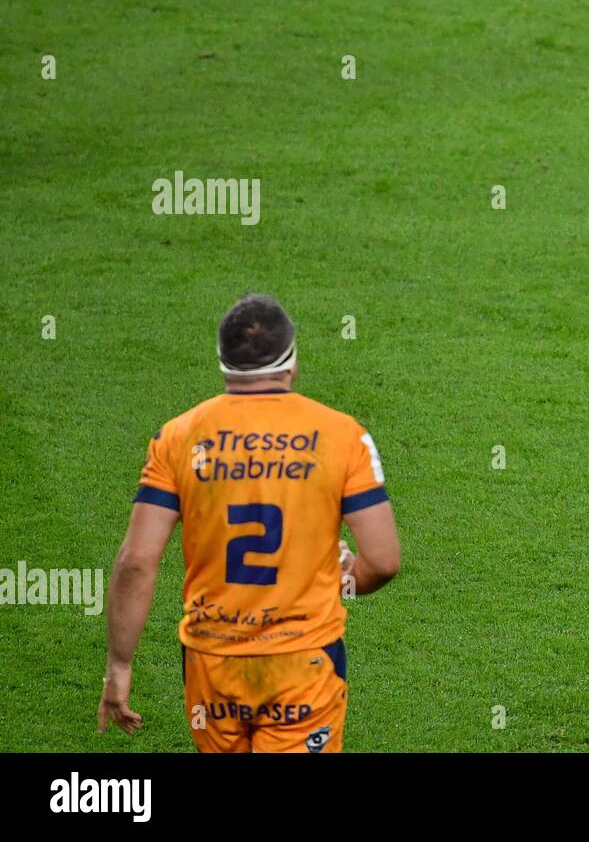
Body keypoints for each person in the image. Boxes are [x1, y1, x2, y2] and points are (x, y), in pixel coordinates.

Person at [97, 293, 400, 749]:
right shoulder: (341, 435)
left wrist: (119, 666)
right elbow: (383, 561)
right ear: (292, 362)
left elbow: (137, 560)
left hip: (212, 661)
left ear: (222, 364)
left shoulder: (178, 437)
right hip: (304, 659)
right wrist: (346, 576)